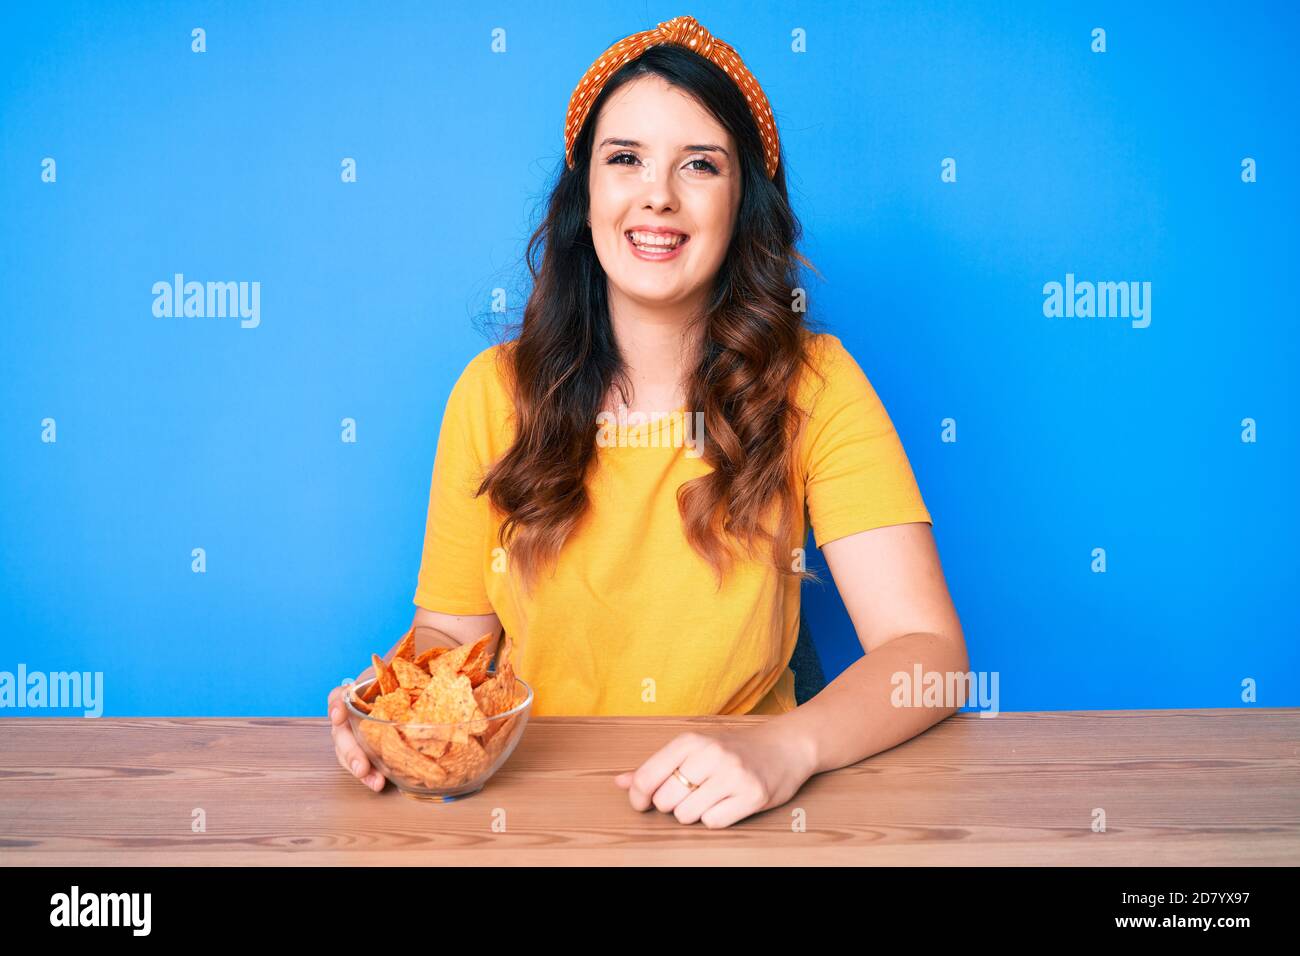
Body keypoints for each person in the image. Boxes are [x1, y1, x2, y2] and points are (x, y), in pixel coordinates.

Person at [328, 15, 968, 828]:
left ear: (743, 205)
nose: (657, 194)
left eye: (700, 165)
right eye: (624, 158)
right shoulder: (492, 394)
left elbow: (931, 656)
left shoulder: (817, 385)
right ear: (584, 194)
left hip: (741, 817)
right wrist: (389, 708)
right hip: (531, 813)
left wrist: (787, 750)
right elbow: (452, 631)